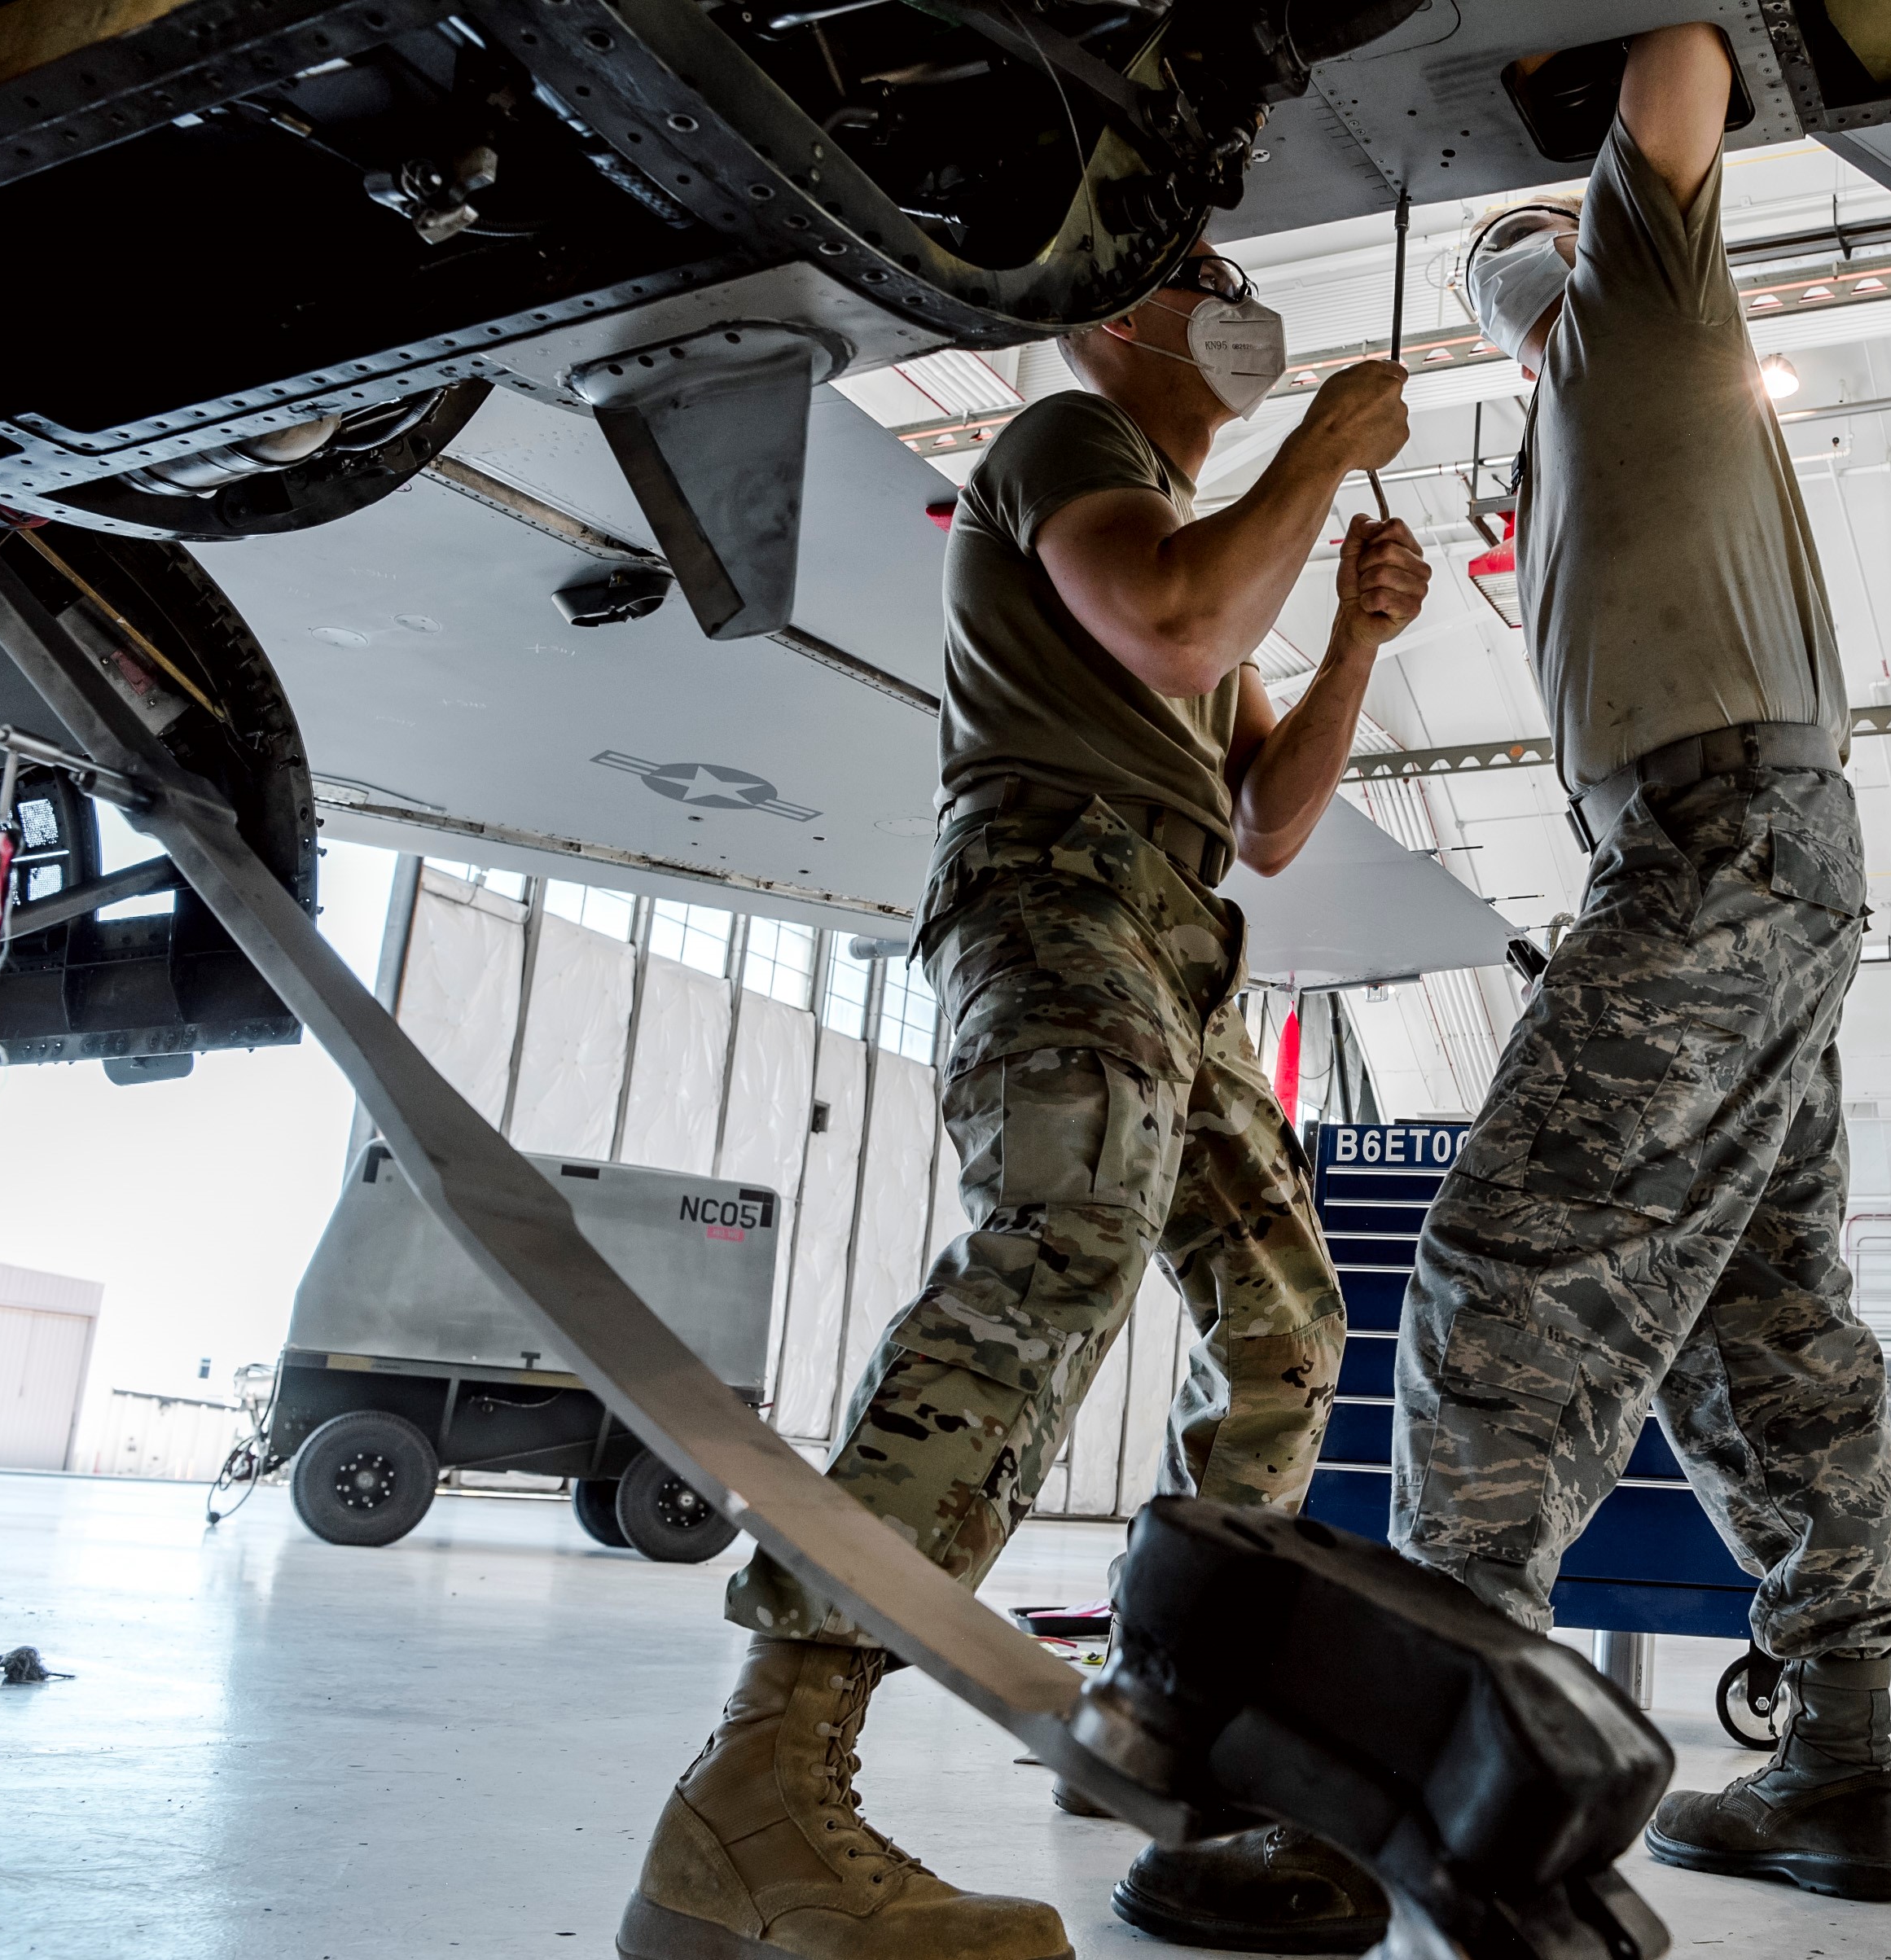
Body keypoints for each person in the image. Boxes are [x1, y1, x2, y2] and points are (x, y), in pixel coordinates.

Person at [617, 246, 1431, 1960]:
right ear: (1113, 320)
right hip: (1053, 893)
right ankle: (761, 1777)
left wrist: (1352, 633)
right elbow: (1177, 618)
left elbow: (1270, 817)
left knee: (1285, 1321)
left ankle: (1162, 1717)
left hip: (1174, 937)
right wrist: (1325, 453)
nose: (1232, 292)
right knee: (1062, 1245)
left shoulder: (1209, 538)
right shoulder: (1072, 447)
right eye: (1191, 275)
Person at [1398, 21, 1891, 1906]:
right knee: (1757, 1310)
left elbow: (1685, 67)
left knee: (1505, 1259)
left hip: (1714, 842)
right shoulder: (1589, 431)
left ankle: (1439, 1741)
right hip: (1758, 849)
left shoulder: (1640, 315)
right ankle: (1841, 1772)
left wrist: (1638, 101)